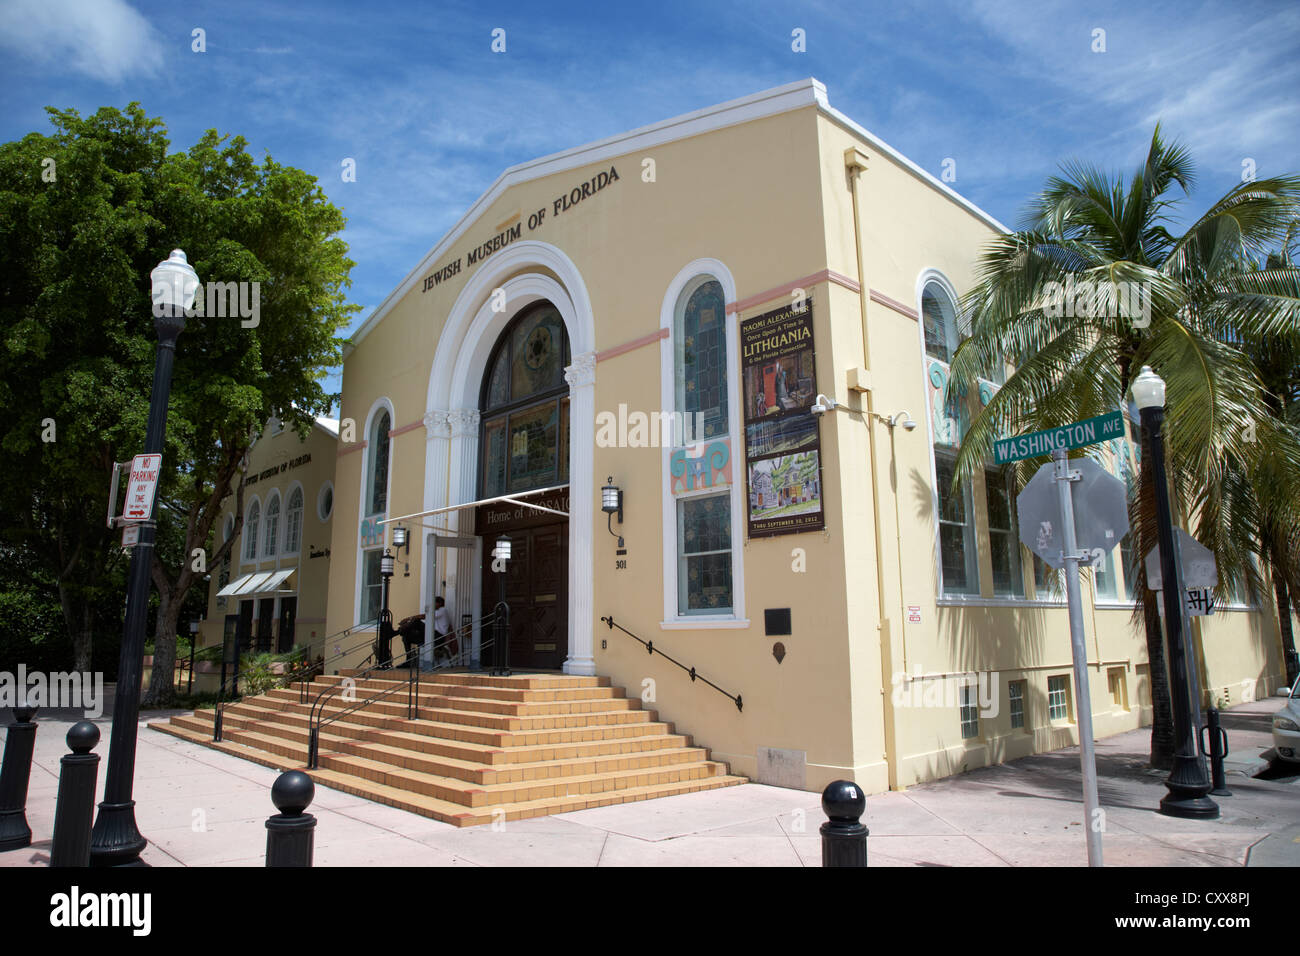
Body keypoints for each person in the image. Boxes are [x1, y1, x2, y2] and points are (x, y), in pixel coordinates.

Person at [433, 596, 455, 665]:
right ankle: (440, 652)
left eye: (434, 603)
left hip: (440, 635)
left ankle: (440, 652)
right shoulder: (438, 611)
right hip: (437, 634)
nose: (433, 604)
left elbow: (427, 616)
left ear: (439, 603)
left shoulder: (442, 610)